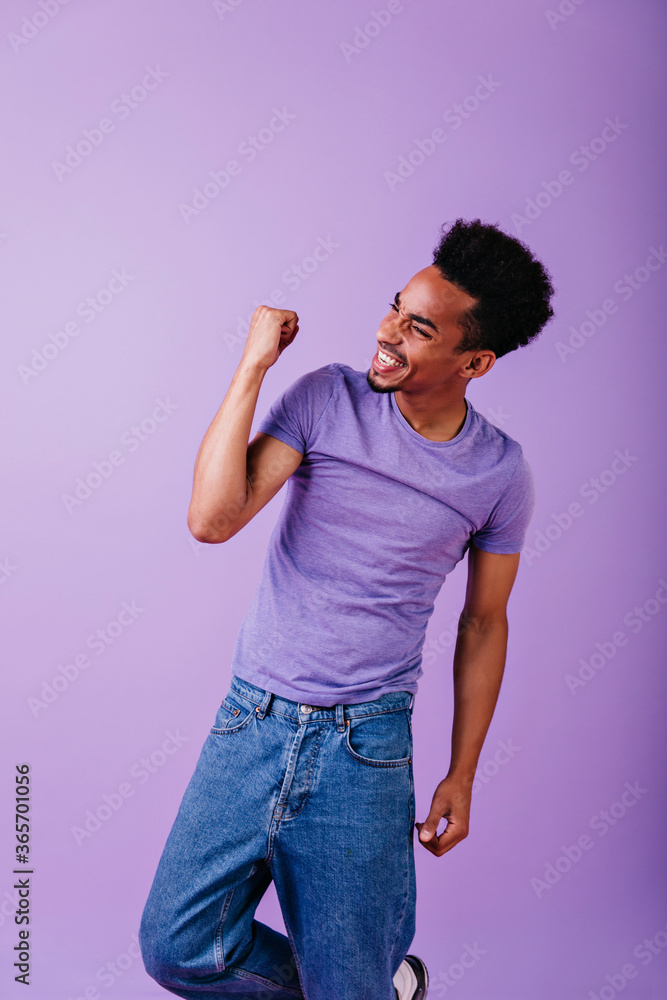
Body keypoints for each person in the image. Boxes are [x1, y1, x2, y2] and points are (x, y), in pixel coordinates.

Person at [138, 218, 555, 1000]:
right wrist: (255, 364)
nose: (387, 332)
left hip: (364, 750)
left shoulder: (499, 473)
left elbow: (483, 623)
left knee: (347, 983)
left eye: (417, 328)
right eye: (395, 308)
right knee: (177, 946)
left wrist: (462, 772)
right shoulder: (327, 398)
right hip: (250, 721)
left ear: (475, 362)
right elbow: (213, 519)